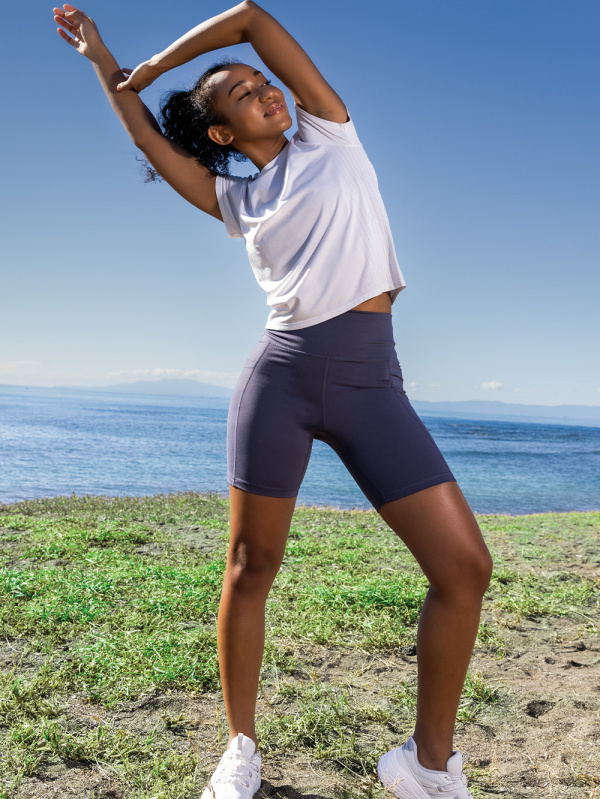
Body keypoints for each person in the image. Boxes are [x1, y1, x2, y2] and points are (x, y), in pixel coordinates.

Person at [54, 3, 493, 797]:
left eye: (264, 83)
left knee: (464, 566)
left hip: (370, 380)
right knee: (251, 565)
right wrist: (102, 61)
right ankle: (240, 750)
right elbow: (150, 140)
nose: (266, 92)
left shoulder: (331, 135)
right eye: (244, 95)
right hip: (281, 378)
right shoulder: (236, 201)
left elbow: (252, 17)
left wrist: (150, 67)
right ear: (222, 134)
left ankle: (426, 764)